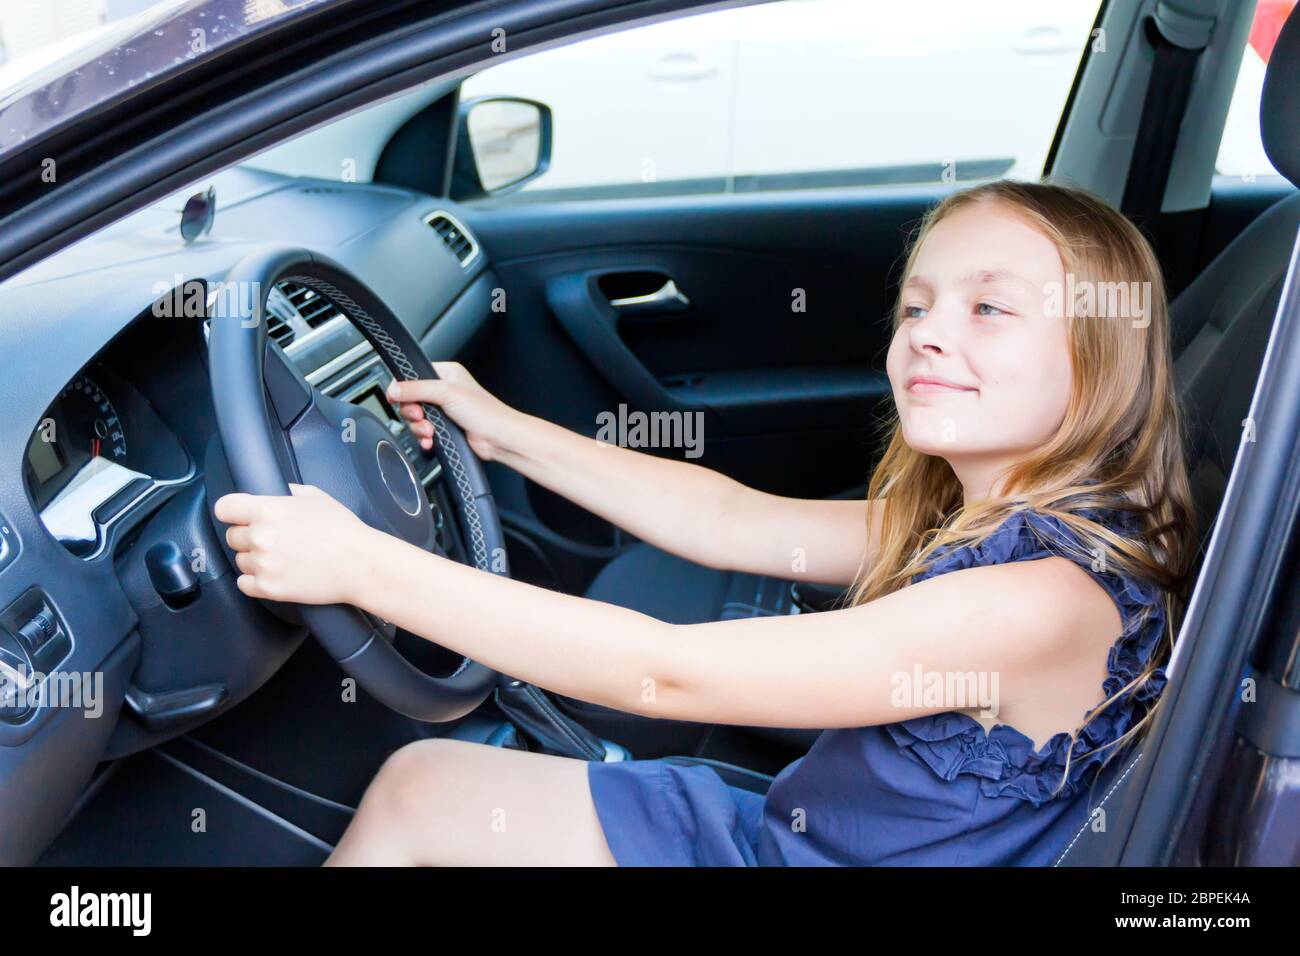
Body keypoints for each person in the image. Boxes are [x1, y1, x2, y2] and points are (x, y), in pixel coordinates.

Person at [213, 179, 1197, 866]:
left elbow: (667, 672)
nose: (929, 331)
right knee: (418, 784)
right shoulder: (987, 524)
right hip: (798, 837)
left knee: (419, 788)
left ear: (1097, 356)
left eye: (990, 309)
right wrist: (505, 432)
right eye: (915, 305)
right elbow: (731, 517)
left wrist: (359, 565)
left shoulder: (1033, 602)